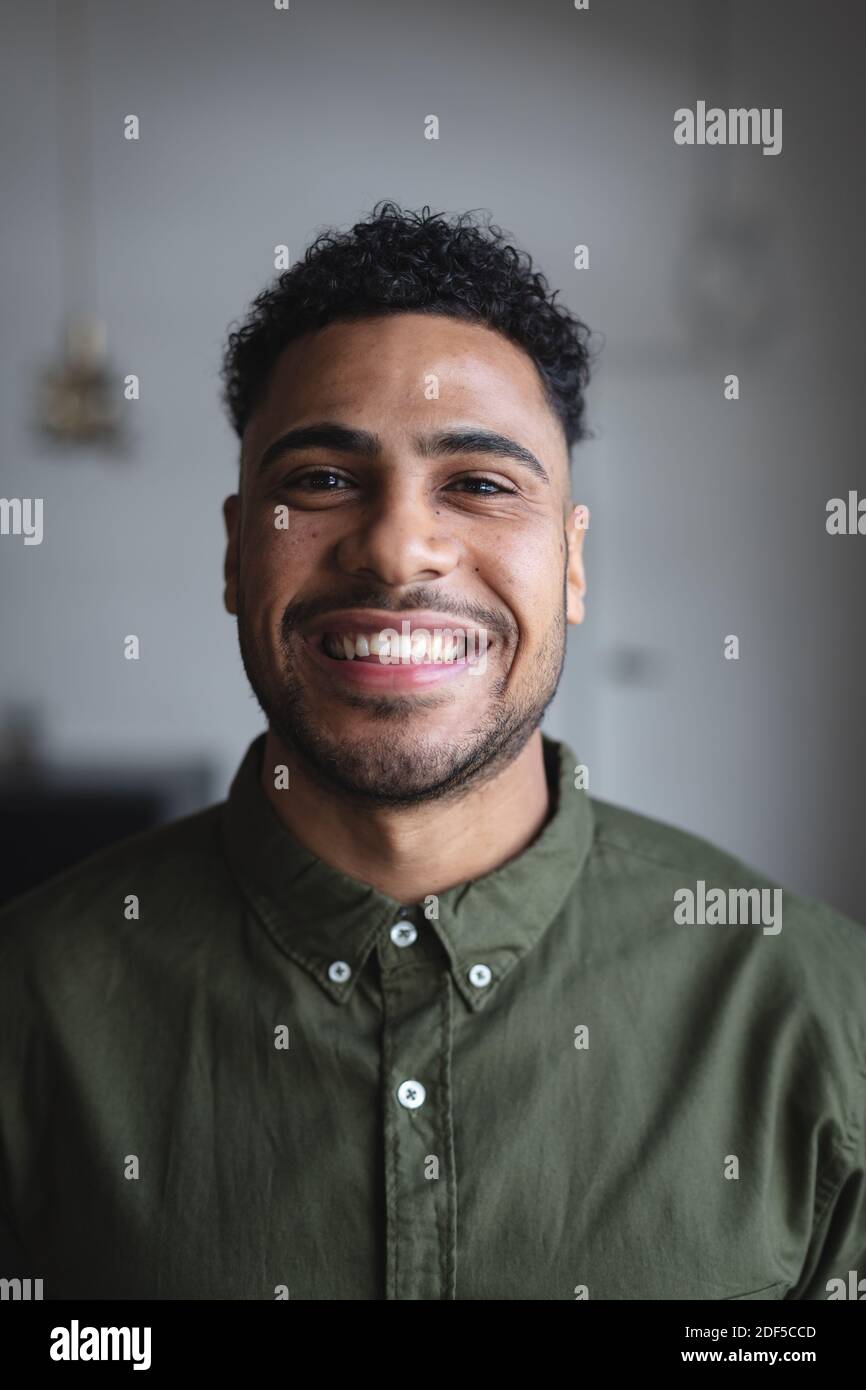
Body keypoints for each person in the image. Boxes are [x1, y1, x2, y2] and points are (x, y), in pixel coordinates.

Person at [1, 203, 864, 1301]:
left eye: (479, 483)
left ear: (572, 561)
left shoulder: (825, 1019)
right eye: (319, 479)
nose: (399, 547)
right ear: (232, 552)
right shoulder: (29, 1011)